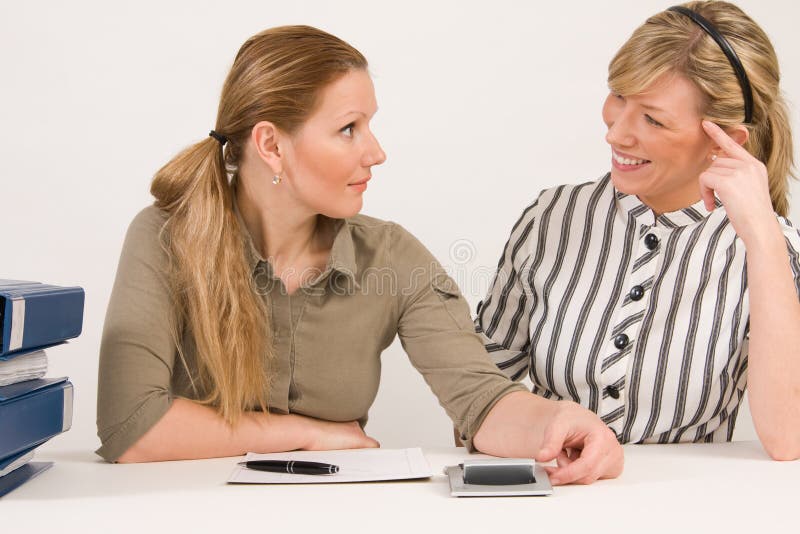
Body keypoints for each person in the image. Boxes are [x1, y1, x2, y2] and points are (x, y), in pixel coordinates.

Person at [96, 25, 622, 484]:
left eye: (369, 126)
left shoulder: (391, 256)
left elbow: (481, 399)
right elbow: (130, 426)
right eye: (349, 128)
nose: (376, 152)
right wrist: (305, 435)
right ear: (271, 145)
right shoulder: (166, 236)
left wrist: (554, 425)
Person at [478, 0, 799, 460]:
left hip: (688, 509)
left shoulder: (772, 250)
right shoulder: (554, 217)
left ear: (724, 141)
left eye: (653, 119)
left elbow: (789, 440)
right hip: (553, 498)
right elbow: (478, 393)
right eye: (618, 96)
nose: (616, 133)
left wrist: (763, 236)